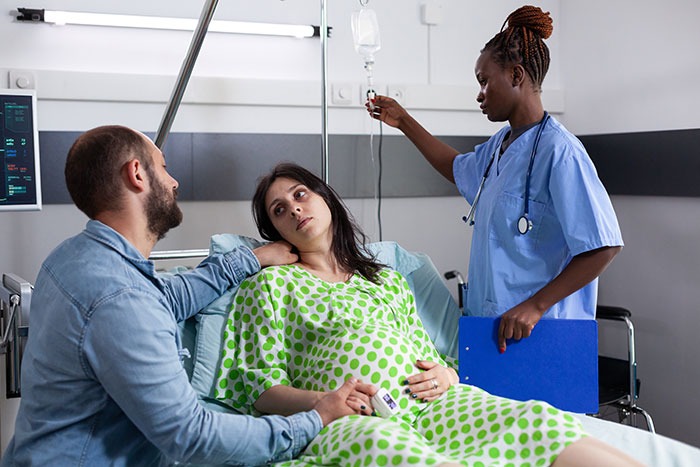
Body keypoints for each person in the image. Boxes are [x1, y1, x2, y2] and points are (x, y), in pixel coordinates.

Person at [214, 162, 643, 467]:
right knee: (401, 454)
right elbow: (259, 389)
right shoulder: (269, 286)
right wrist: (324, 406)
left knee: (534, 422)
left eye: (299, 194)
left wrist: (450, 377)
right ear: (276, 232)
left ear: (324, 197)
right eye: (279, 210)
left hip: (431, 406)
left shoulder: (386, 279)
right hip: (353, 421)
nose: (293, 209)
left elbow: (430, 356)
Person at [1, 126, 360, 466]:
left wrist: (250, 259)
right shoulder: (120, 299)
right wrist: (314, 419)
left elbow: (164, 297)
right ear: (138, 174)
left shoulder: (72, 257)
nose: (174, 182)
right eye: (164, 167)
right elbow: (191, 436)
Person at [367, 5, 623, 351]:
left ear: (516, 76)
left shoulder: (561, 152)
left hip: (542, 333)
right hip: (490, 328)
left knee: (539, 409)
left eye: (484, 81)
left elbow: (603, 246)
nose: (479, 94)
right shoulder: (498, 147)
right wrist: (404, 122)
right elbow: (456, 166)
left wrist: (536, 306)